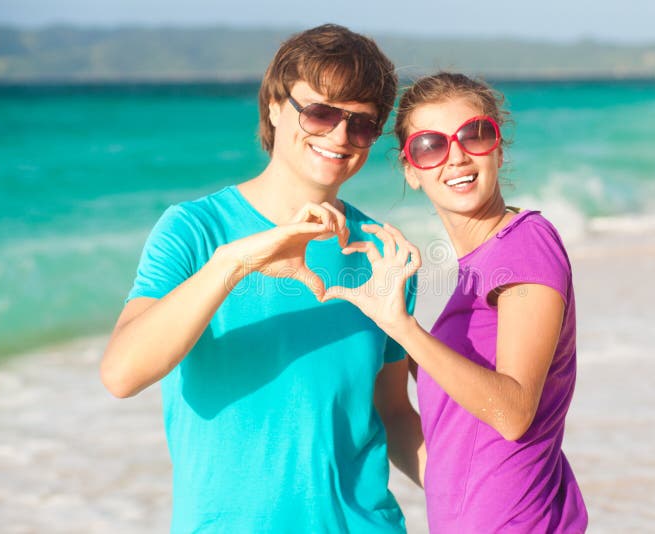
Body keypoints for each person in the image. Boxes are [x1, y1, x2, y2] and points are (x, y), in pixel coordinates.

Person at [100, 24, 424, 533]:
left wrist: (488, 495)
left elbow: (395, 413)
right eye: (320, 112)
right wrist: (233, 264)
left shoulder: (382, 253)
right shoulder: (195, 231)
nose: (339, 136)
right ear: (274, 106)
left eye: (360, 124)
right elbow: (122, 374)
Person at [322, 73, 588, 532]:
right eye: (431, 145)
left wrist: (403, 328)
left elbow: (513, 411)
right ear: (411, 169)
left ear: (498, 147)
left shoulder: (524, 244)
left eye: (474, 134)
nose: (457, 155)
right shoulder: (474, 272)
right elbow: (447, 424)